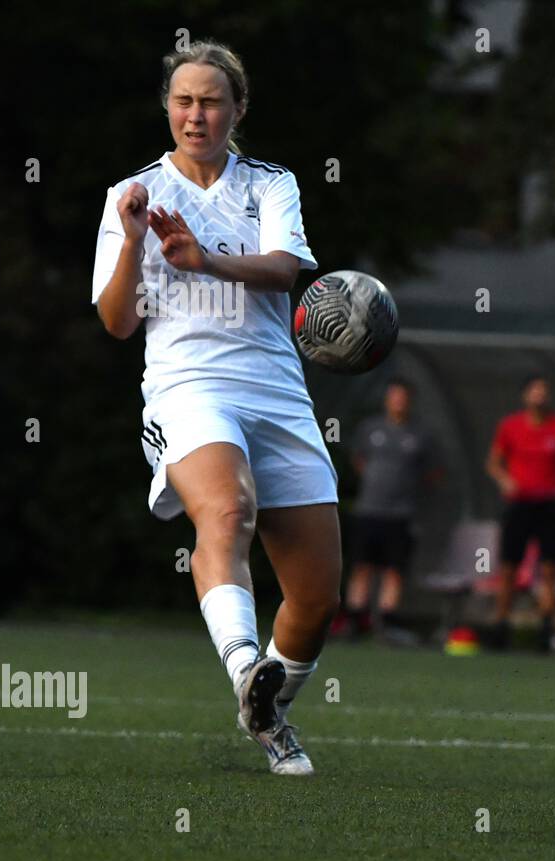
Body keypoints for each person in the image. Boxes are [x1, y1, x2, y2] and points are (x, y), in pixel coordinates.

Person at [92, 40, 337, 774]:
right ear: (167, 107)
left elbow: (285, 269)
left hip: (275, 389)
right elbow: (117, 322)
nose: (195, 115)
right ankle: (242, 668)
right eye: (183, 101)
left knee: (317, 598)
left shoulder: (269, 184)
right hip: (188, 384)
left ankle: (268, 711)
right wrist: (136, 244)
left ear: (237, 110)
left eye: (210, 102)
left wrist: (204, 259)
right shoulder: (130, 194)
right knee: (227, 511)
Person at [340, 380, 439, 641]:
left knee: (394, 570)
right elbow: (358, 460)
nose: (398, 401)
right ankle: (354, 620)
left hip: (401, 514)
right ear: (387, 399)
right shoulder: (370, 429)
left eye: (403, 397)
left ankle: (386, 622)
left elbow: (432, 473)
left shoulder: (420, 434)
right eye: (393, 396)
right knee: (362, 566)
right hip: (368, 510)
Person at [484, 375, 555, 650]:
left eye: (544, 391)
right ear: (525, 395)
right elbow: (493, 462)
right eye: (534, 390)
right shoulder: (510, 425)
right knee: (509, 566)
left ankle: (545, 629)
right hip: (519, 505)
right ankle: (501, 626)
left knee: (550, 568)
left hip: (548, 506)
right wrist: (505, 481)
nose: (539, 395)